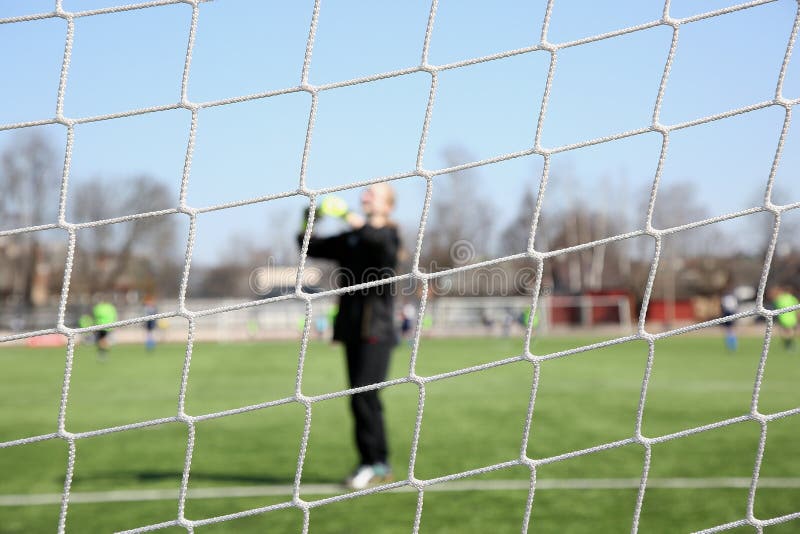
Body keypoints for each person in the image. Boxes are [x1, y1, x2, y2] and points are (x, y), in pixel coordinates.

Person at [299, 183, 400, 490]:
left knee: (366, 396)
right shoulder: (352, 237)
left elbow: (380, 246)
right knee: (360, 398)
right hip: (352, 329)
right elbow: (309, 247)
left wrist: (349, 216)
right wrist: (310, 218)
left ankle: (373, 463)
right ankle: (376, 462)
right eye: (365, 193)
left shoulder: (388, 234)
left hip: (376, 330)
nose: (364, 196)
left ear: (387, 205)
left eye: (372, 193)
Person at [768, 286, 798, 351]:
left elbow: (775, 308)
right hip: (791, 318)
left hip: (783, 318)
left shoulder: (779, 298)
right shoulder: (791, 298)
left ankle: (788, 345)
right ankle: (789, 345)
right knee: (789, 332)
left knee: (786, 332)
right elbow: (797, 309)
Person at [720, 286, 739, 352]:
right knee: (729, 330)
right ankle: (730, 344)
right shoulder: (725, 298)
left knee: (730, 330)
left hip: (730, 313)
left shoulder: (730, 298)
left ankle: (732, 344)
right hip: (727, 313)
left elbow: (734, 307)